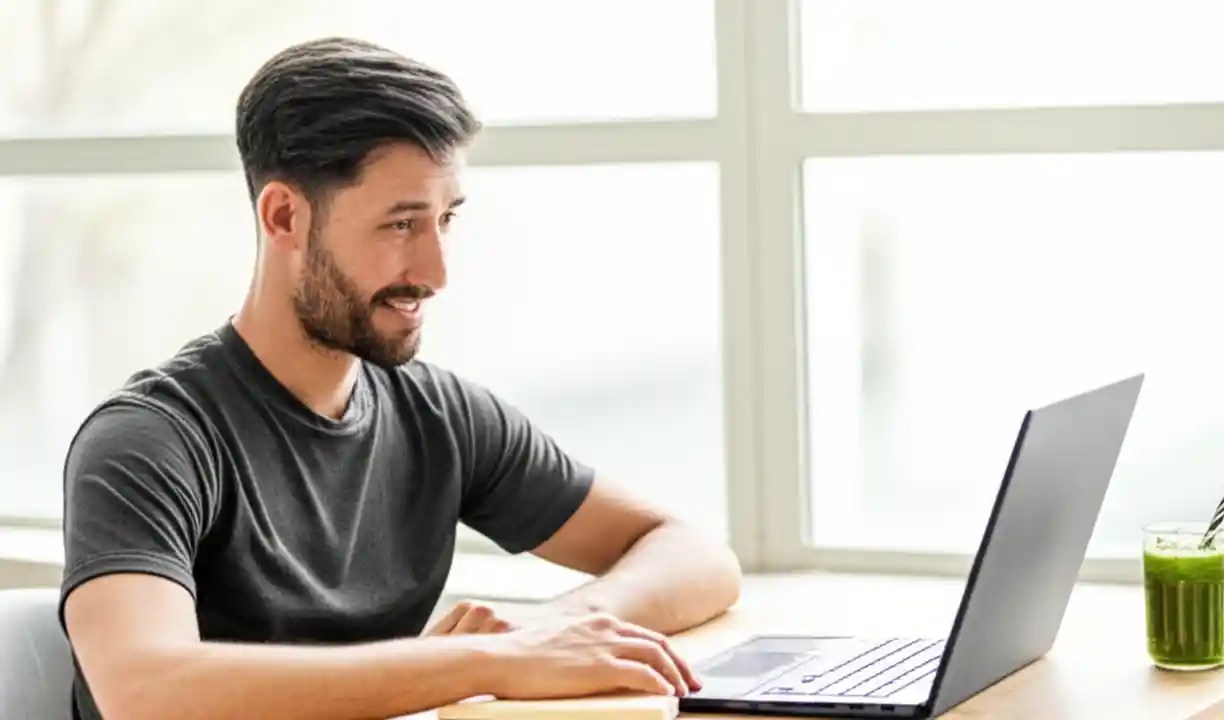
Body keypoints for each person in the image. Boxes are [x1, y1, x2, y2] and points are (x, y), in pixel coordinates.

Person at [59, 37, 742, 720]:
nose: (437, 272)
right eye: (401, 224)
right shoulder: (149, 442)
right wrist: (488, 662)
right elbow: (143, 690)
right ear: (284, 217)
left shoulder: (441, 418)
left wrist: (560, 629)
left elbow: (696, 555)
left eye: (445, 220)